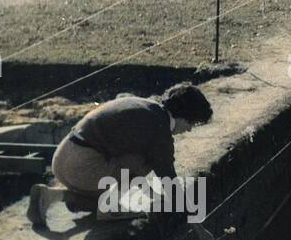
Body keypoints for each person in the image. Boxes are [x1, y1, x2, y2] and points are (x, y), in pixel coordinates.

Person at [27, 83, 213, 228]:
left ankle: (50, 196)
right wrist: (197, 226)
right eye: (192, 123)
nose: (189, 130)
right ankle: (111, 209)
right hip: (83, 166)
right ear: (183, 115)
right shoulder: (159, 128)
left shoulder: (148, 105)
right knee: (143, 163)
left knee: (127, 187)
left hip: (61, 160)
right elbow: (168, 178)